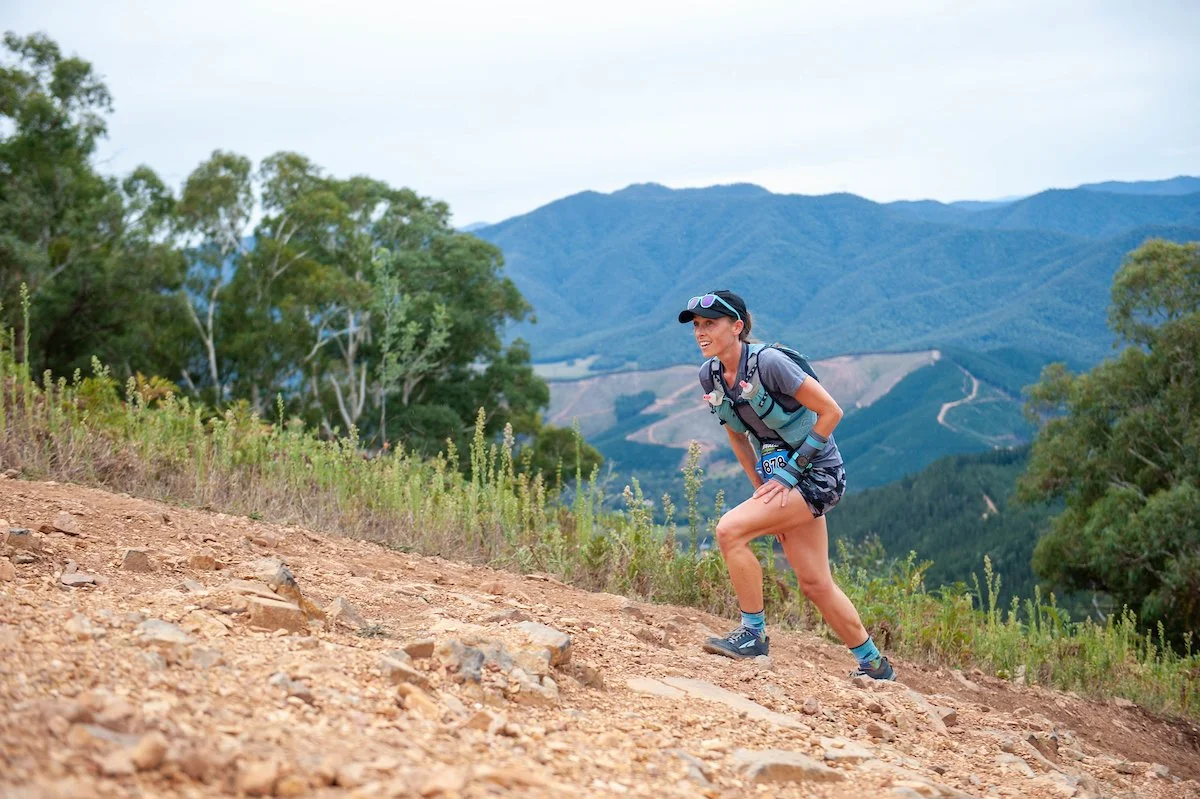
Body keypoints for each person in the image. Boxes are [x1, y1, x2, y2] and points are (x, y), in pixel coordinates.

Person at [678, 289, 895, 680]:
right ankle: (874, 664)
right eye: (696, 325)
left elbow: (831, 412)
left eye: (710, 323)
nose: (700, 332)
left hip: (819, 476)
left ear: (737, 326)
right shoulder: (709, 375)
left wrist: (789, 475)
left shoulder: (770, 363)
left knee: (730, 531)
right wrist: (764, 489)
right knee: (814, 582)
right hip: (780, 477)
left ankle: (753, 635)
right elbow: (737, 437)